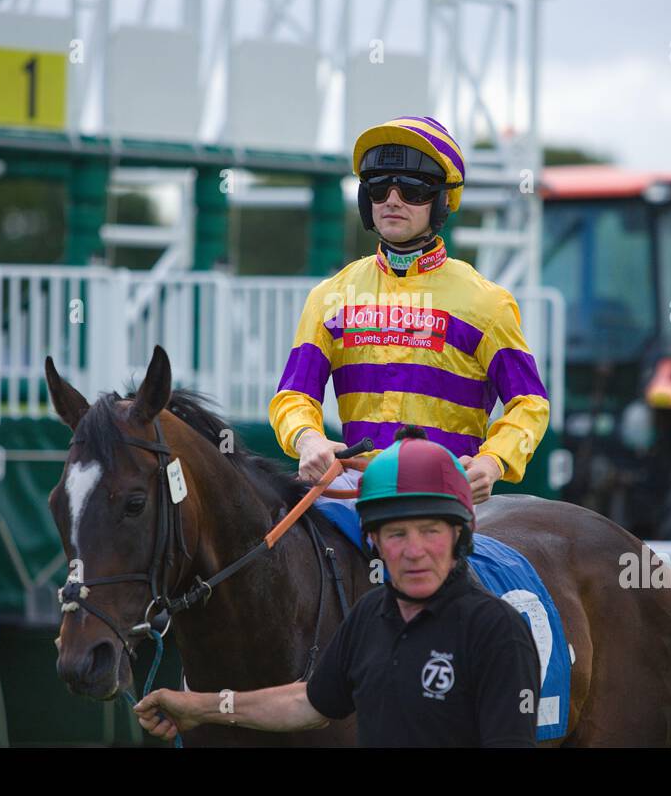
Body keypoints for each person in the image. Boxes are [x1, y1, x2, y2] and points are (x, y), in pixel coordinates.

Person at [133, 429, 541, 746]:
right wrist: (197, 707)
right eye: (396, 534)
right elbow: (308, 702)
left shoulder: (497, 632)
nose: (414, 551)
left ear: (460, 534)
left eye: (430, 531)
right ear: (374, 542)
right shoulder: (368, 616)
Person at [269, 115, 550, 504]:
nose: (393, 200)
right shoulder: (329, 296)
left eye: (413, 190)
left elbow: (529, 402)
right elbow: (293, 396)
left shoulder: (488, 303)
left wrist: (493, 461)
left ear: (442, 201)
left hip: (445, 499)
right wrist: (308, 438)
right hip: (356, 495)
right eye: (380, 188)